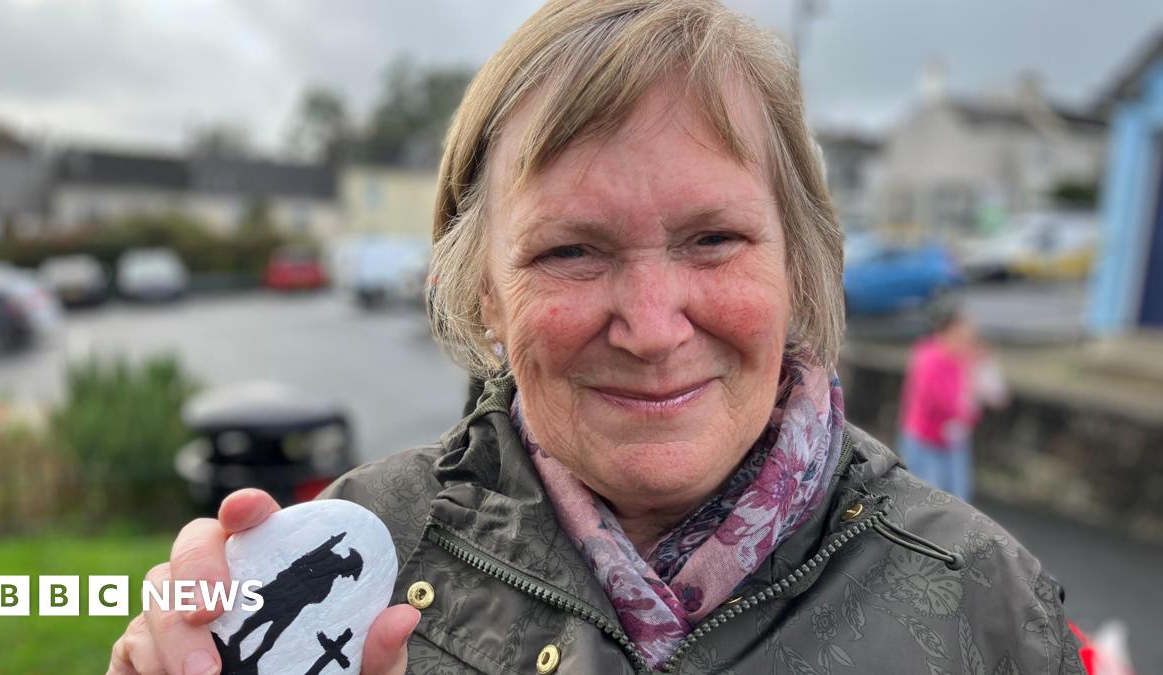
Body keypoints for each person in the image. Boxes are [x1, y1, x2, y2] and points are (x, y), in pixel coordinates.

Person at [108, 1, 1081, 673]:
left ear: (798, 262)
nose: (652, 329)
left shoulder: (985, 604)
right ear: (483, 294)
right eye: (570, 251)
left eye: (714, 239)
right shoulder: (365, 553)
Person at [899, 309, 1007, 502]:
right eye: (963, 338)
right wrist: (968, 398)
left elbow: (997, 396)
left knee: (958, 498)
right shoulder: (930, 357)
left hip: (953, 439)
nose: (967, 344)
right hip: (926, 438)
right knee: (924, 498)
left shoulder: (963, 359)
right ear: (947, 332)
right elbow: (936, 399)